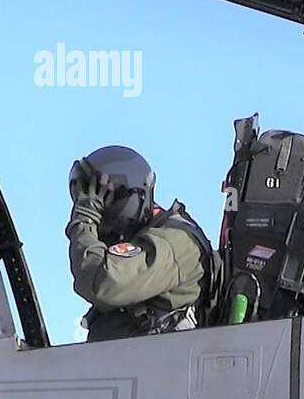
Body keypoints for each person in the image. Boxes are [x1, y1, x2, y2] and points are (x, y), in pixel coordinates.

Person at [65, 146, 215, 342]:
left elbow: (102, 284)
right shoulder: (150, 238)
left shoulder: (175, 242)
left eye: (102, 200)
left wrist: (85, 220)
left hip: (157, 367)